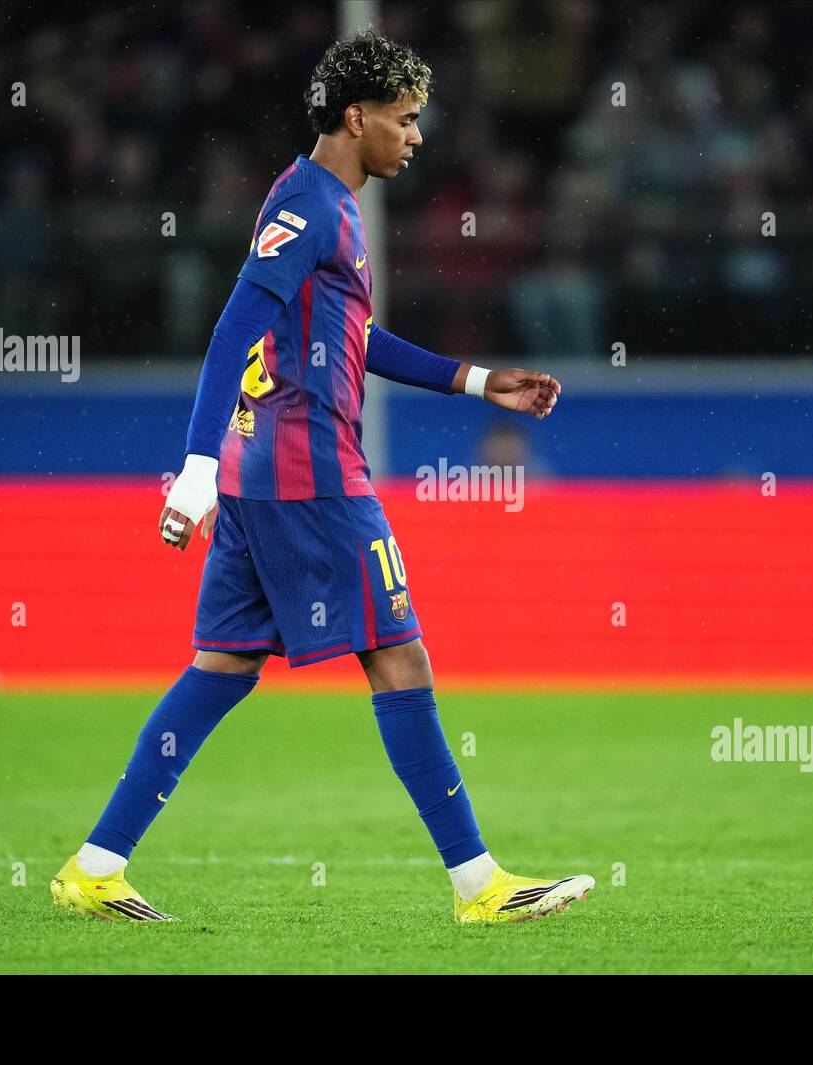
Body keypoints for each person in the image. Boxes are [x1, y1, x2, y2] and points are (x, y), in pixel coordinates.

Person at [51, 29, 593, 925]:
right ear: (357, 115)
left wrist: (473, 379)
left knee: (222, 664)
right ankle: (480, 886)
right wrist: (191, 472)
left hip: (261, 469)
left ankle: (96, 865)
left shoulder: (316, 204)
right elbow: (232, 329)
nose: (417, 137)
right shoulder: (314, 205)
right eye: (405, 119)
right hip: (311, 476)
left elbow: (353, 337)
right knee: (399, 653)